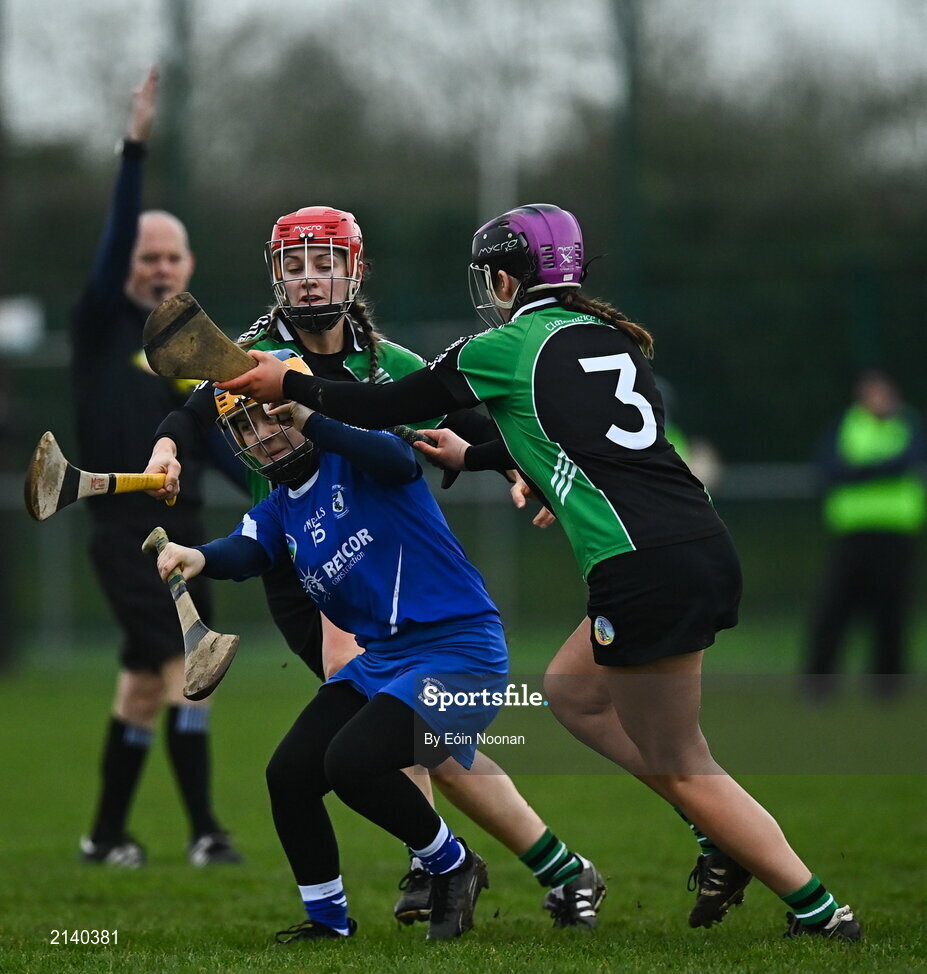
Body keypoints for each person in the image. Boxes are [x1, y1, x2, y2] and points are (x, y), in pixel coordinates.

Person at [220, 203, 862, 942]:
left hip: (638, 567)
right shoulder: (610, 336)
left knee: (683, 762)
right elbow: (576, 440)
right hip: (701, 546)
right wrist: (481, 457)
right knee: (570, 693)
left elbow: (382, 404)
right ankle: (712, 830)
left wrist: (291, 390)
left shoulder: (499, 345)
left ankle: (813, 909)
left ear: (501, 278)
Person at [145, 205, 606, 928]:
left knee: (399, 741)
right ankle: (514, 868)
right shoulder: (253, 356)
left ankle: (453, 865)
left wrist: (523, 469)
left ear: (353, 271)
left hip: (383, 565)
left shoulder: (390, 367)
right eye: (292, 265)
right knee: (399, 742)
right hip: (295, 557)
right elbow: (192, 413)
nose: (306, 279)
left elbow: (480, 427)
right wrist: (169, 455)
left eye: (323, 262)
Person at [156, 352, 509, 941]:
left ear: (302, 408)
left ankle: (453, 865)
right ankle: (327, 920)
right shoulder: (280, 505)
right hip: (385, 664)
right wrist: (197, 558)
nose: (262, 436)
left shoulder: (359, 454)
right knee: (290, 774)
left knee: (352, 763)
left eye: (271, 417)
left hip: (460, 653)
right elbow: (245, 548)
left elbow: (398, 458)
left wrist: (310, 415)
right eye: (245, 427)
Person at [70, 67, 240, 867]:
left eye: (172, 256)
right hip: (124, 532)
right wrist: (134, 150)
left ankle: (105, 838)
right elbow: (111, 255)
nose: (160, 268)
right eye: (147, 255)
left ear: (190, 264)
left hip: (190, 530)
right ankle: (208, 832)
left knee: (146, 685)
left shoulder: (196, 352)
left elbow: (226, 447)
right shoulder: (104, 324)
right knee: (186, 664)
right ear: (126, 264)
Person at [806, 369, 925, 701]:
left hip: (897, 534)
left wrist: (860, 470)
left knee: (892, 612)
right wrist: (882, 469)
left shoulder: (908, 425)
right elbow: (830, 469)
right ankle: (819, 681)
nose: (878, 399)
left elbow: (909, 461)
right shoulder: (846, 424)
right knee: (834, 609)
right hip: (852, 534)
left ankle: (887, 684)